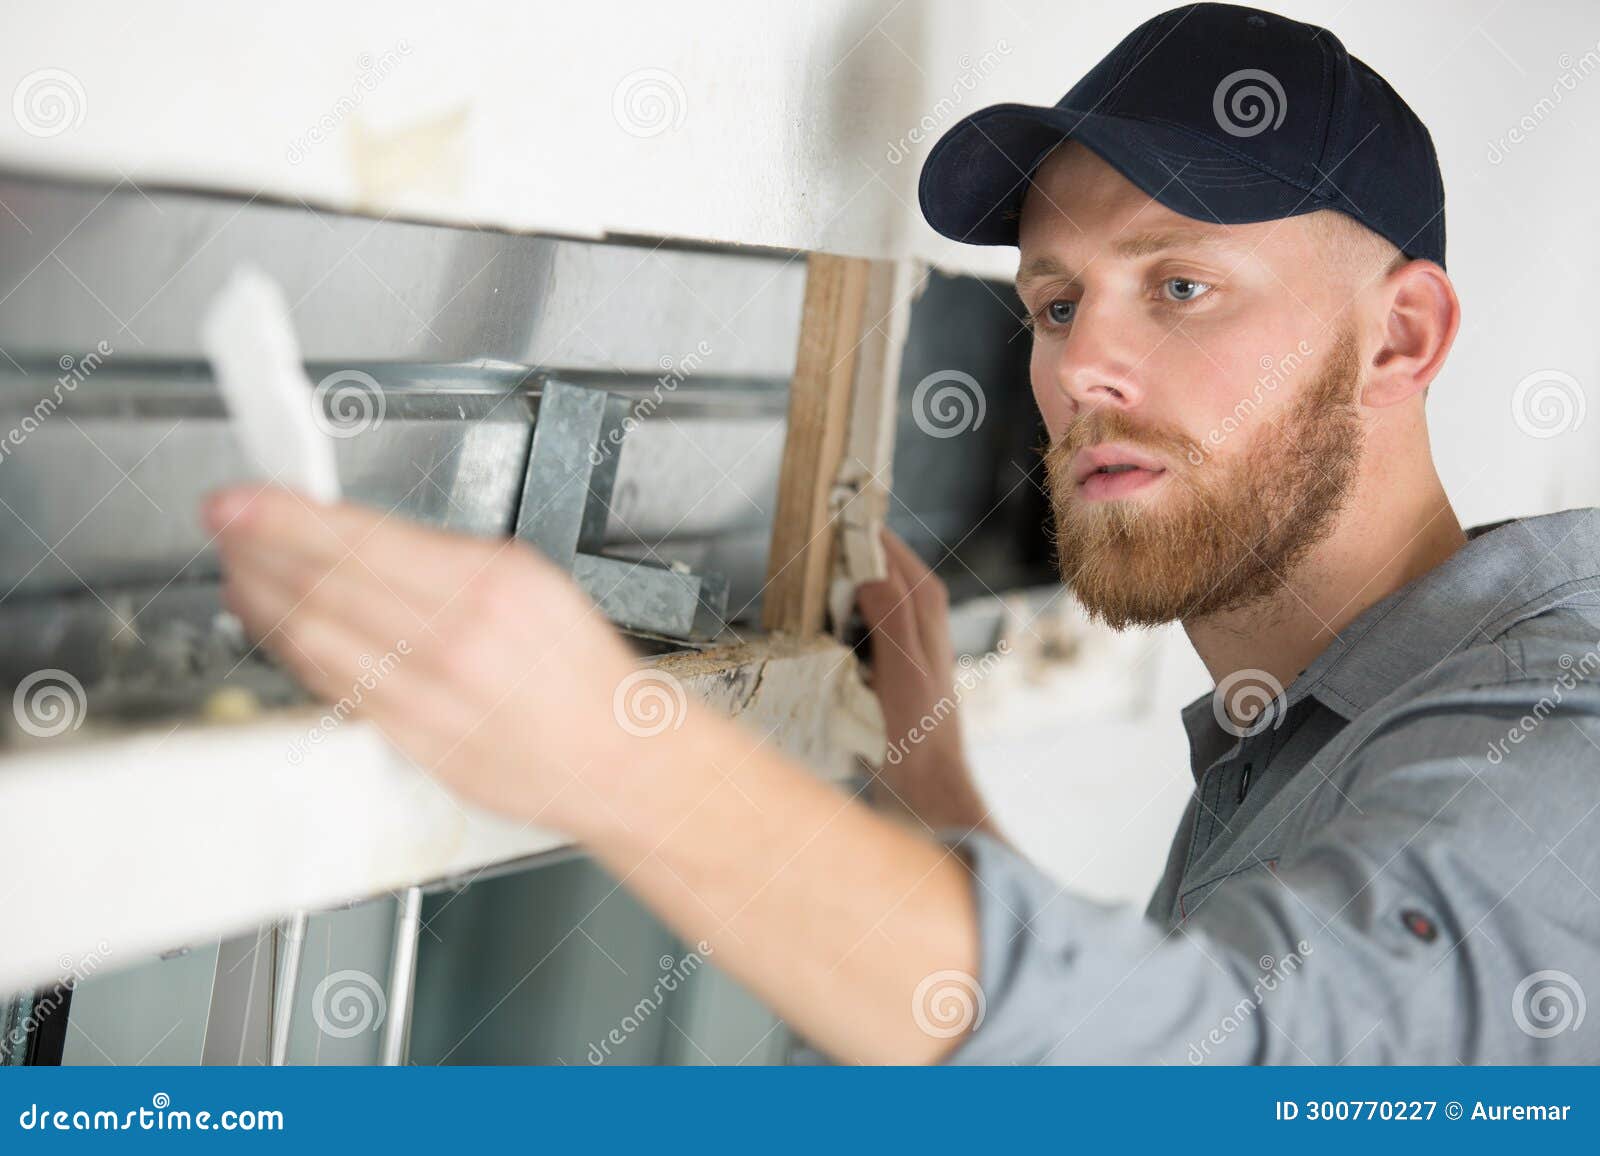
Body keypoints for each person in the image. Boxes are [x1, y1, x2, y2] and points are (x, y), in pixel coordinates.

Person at [203, 3, 1600, 1063]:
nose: (1079, 371)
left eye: (1179, 285)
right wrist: (931, 794)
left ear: (1398, 337)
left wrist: (609, 756)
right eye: (1056, 304)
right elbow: (1176, 1014)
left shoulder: (1551, 733)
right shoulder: (1301, 726)